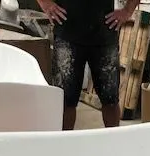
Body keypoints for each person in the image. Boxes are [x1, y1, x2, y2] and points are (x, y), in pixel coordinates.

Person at [37, 0, 141, 130]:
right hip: (68, 34)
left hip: (104, 35)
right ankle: (64, 141)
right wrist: (45, 3)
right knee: (65, 100)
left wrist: (127, 11)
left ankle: (114, 140)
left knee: (110, 99)